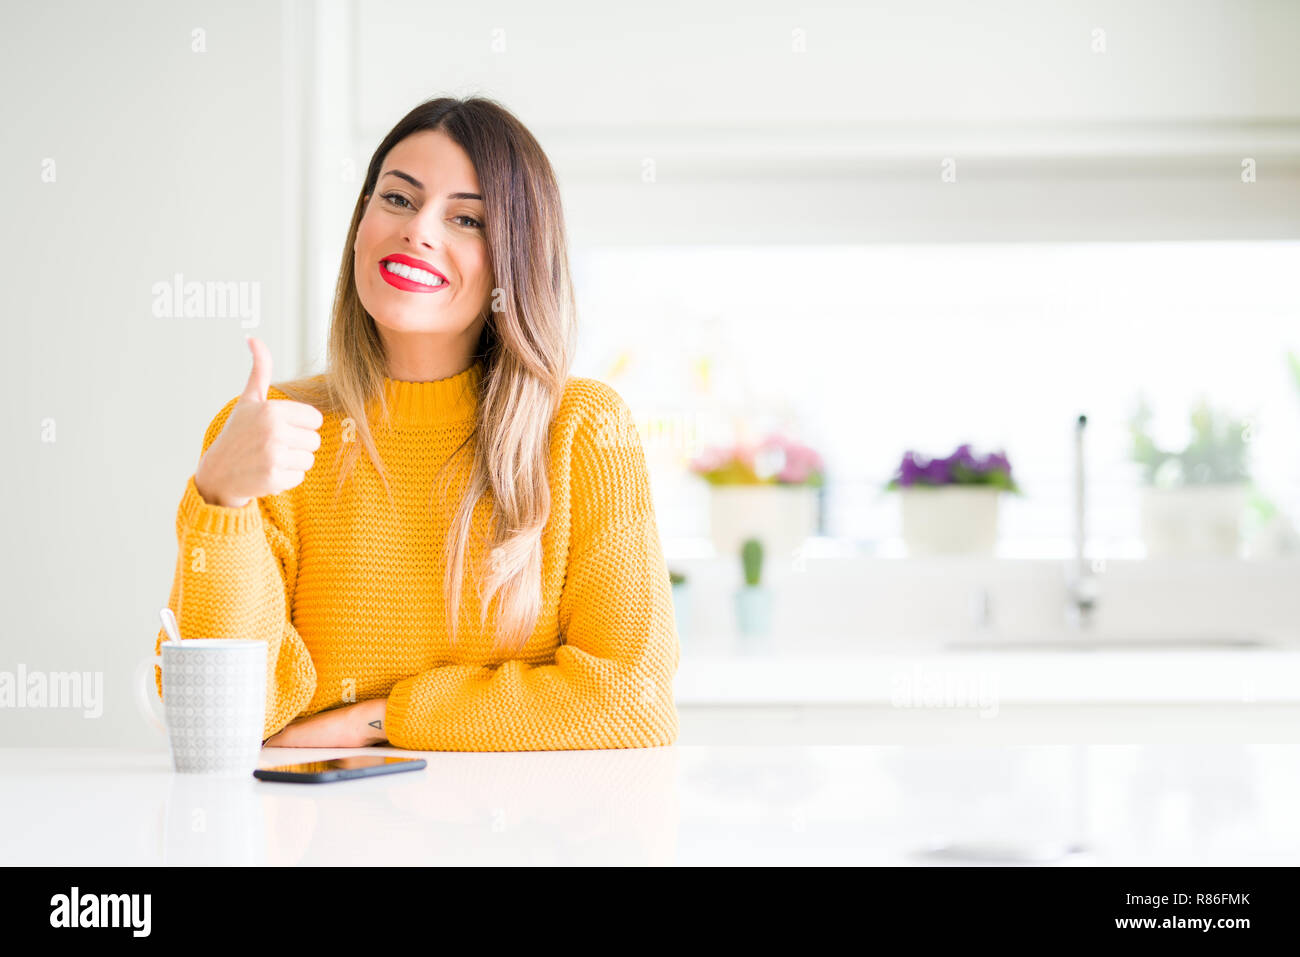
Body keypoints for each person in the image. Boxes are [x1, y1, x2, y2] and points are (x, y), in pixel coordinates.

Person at [154, 96, 679, 751]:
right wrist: (219, 499)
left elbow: (635, 700)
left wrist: (380, 718)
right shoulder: (268, 435)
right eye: (398, 200)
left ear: (512, 260)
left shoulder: (582, 430)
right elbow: (220, 725)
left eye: (466, 217)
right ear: (360, 224)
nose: (419, 230)